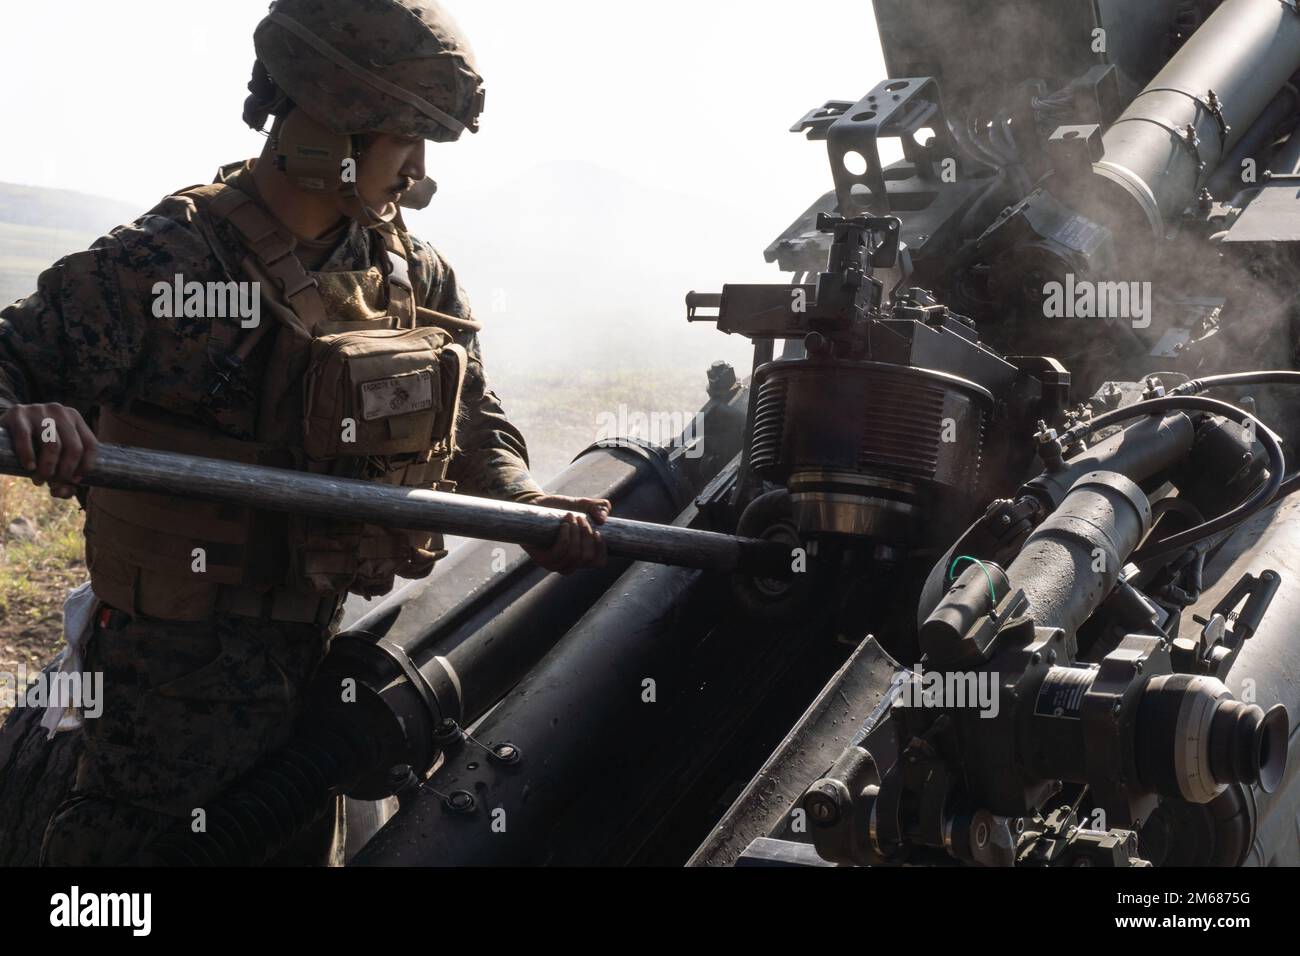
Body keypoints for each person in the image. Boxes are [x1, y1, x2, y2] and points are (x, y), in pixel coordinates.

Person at [0, 0, 608, 865]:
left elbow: (475, 414)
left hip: (320, 664)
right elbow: (10, 361)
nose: (421, 171)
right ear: (334, 130)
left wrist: (524, 503)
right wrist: (28, 413)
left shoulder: (407, 272)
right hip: (169, 691)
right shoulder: (163, 264)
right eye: (406, 141)